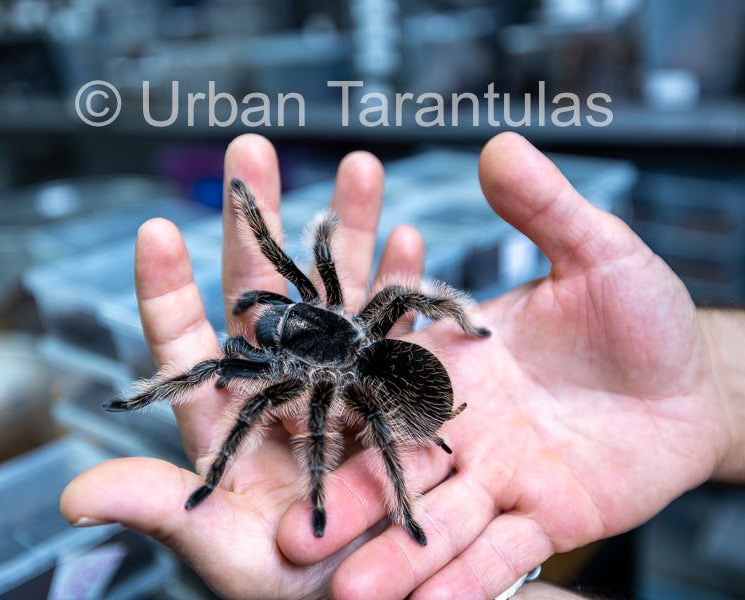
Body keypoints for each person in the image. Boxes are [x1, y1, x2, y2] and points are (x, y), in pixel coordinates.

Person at [60, 132, 745, 600]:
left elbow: (263, 379)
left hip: (392, 383)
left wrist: (316, 492)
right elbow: (314, 262)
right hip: (373, 354)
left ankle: (386, 494)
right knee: (378, 316)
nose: (272, 313)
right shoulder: (331, 305)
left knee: (271, 398)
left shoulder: (311, 358)